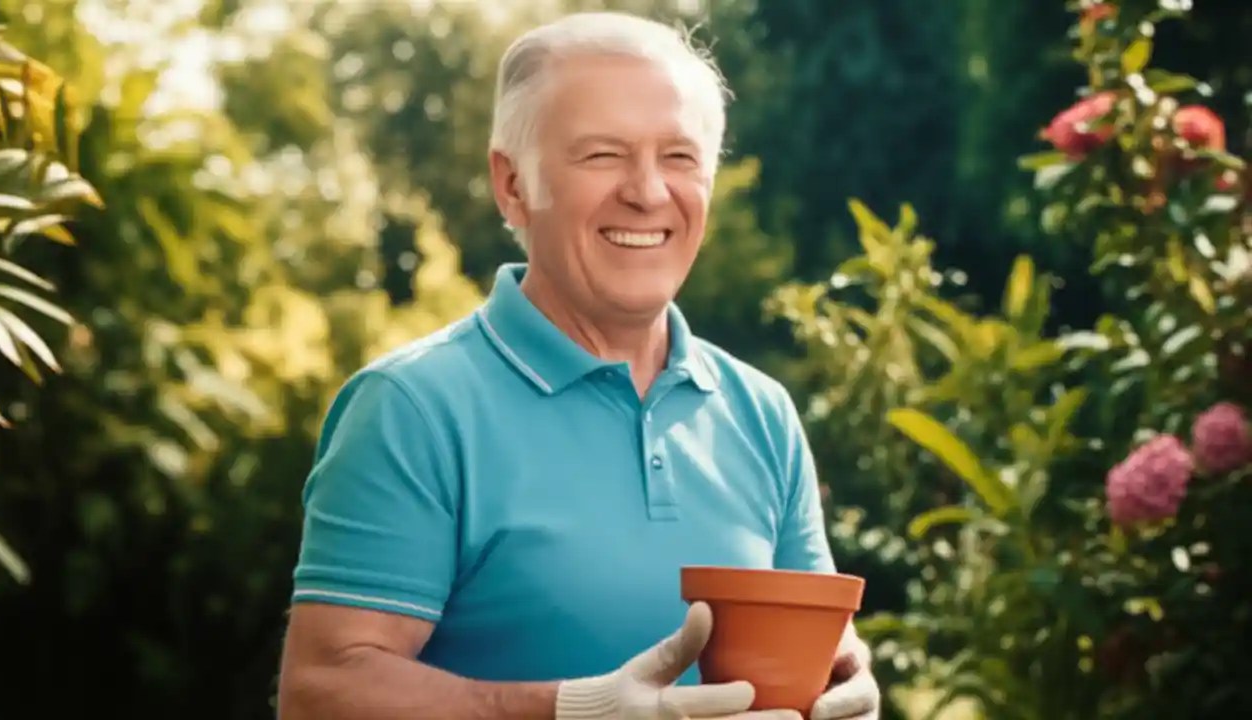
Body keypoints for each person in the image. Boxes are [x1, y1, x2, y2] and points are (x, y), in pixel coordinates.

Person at [276, 10, 881, 720]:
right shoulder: (411, 409)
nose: (647, 192)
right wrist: (573, 709)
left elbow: (823, 649)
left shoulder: (761, 412)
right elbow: (320, 691)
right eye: (602, 155)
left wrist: (848, 684)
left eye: (679, 157)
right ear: (512, 185)